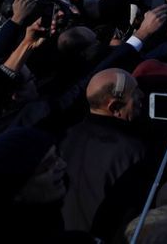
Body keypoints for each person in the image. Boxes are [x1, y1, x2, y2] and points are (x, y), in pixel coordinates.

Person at [60, 68, 149, 239]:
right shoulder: (133, 151)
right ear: (115, 107)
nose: (142, 98)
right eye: (135, 94)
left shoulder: (65, 136)